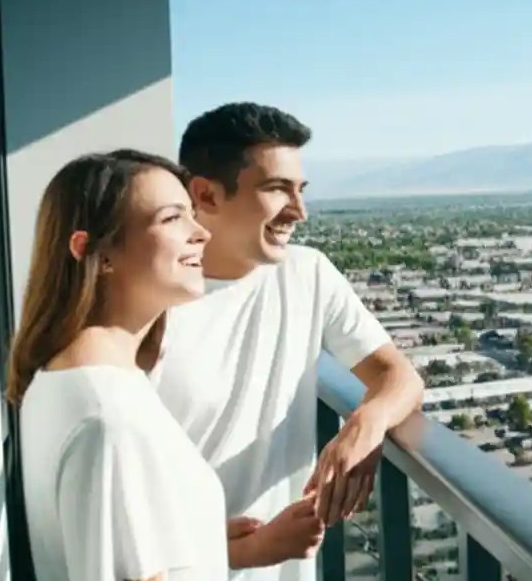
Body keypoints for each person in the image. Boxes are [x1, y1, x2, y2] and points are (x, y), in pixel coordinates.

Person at [152, 102, 425, 579]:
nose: (299, 211)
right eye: (278, 189)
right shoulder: (148, 302)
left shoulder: (306, 272)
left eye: (300, 190)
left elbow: (398, 376)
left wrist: (365, 424)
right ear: (206, 195)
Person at [7, 149, 228, 580]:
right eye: (171, 218)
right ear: (97, 253)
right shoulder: (108, 416)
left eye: (191, 214)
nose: (201, 233)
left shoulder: (72, 380)